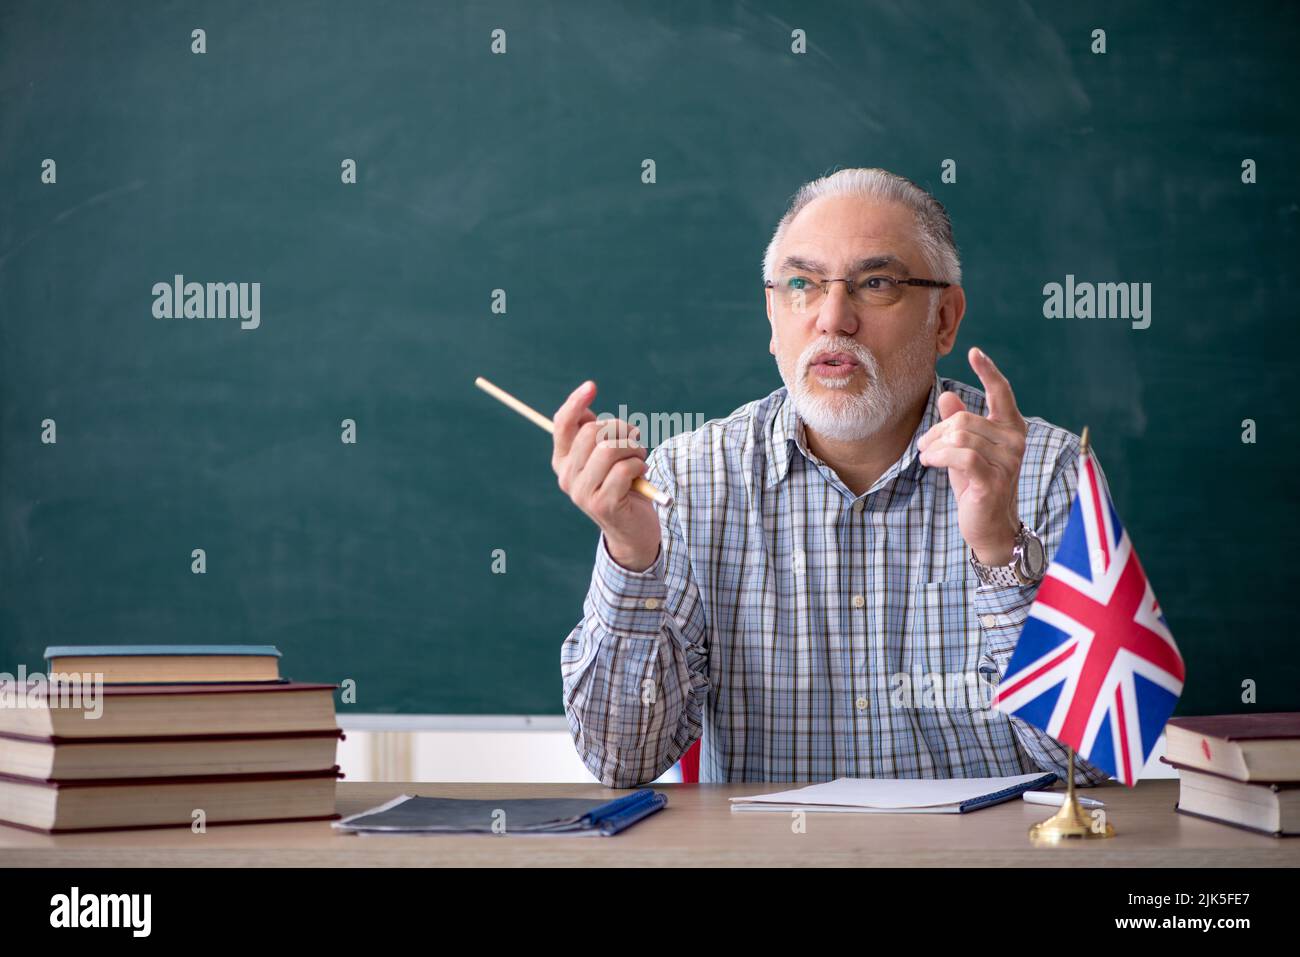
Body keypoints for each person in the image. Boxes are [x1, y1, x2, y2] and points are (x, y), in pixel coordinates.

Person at [554, 167, 1112, 788]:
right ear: (772, 314)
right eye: (802, 284)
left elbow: (1088, 764)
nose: (832, 318)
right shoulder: (689, 481)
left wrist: (1000, 549)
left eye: (875, 284)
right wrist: (632, 556)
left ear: (945, 319)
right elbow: (620, 759)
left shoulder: (1045, 468)